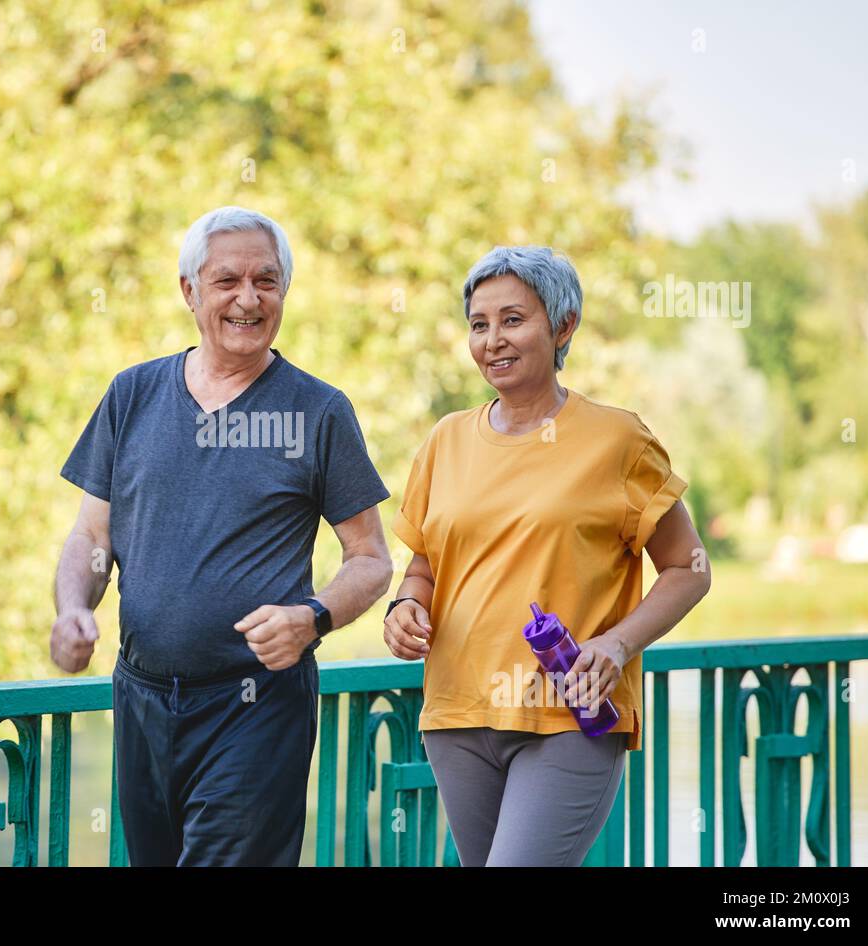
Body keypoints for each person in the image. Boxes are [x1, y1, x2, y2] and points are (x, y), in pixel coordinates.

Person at [54, 206, 393, 865]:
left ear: (285, 293)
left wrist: (312, 618)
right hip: (142, 697)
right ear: (189, 291)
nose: (248, 298)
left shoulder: (319, 411)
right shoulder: (132, 394)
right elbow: (92, 536)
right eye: (227, 281)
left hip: (256, 705)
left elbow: (372, 559)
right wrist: (72, 609)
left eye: (266, 281)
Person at [385, 245, 712, 866]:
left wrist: (616, 645)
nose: (492, 341)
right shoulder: (445, 439)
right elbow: (426, 562)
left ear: (562, 327)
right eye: (479, 325)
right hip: (458, 715)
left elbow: (689, 569)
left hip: (569, 712)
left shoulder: (617, 439)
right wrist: (406, 605)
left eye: (513, 320)